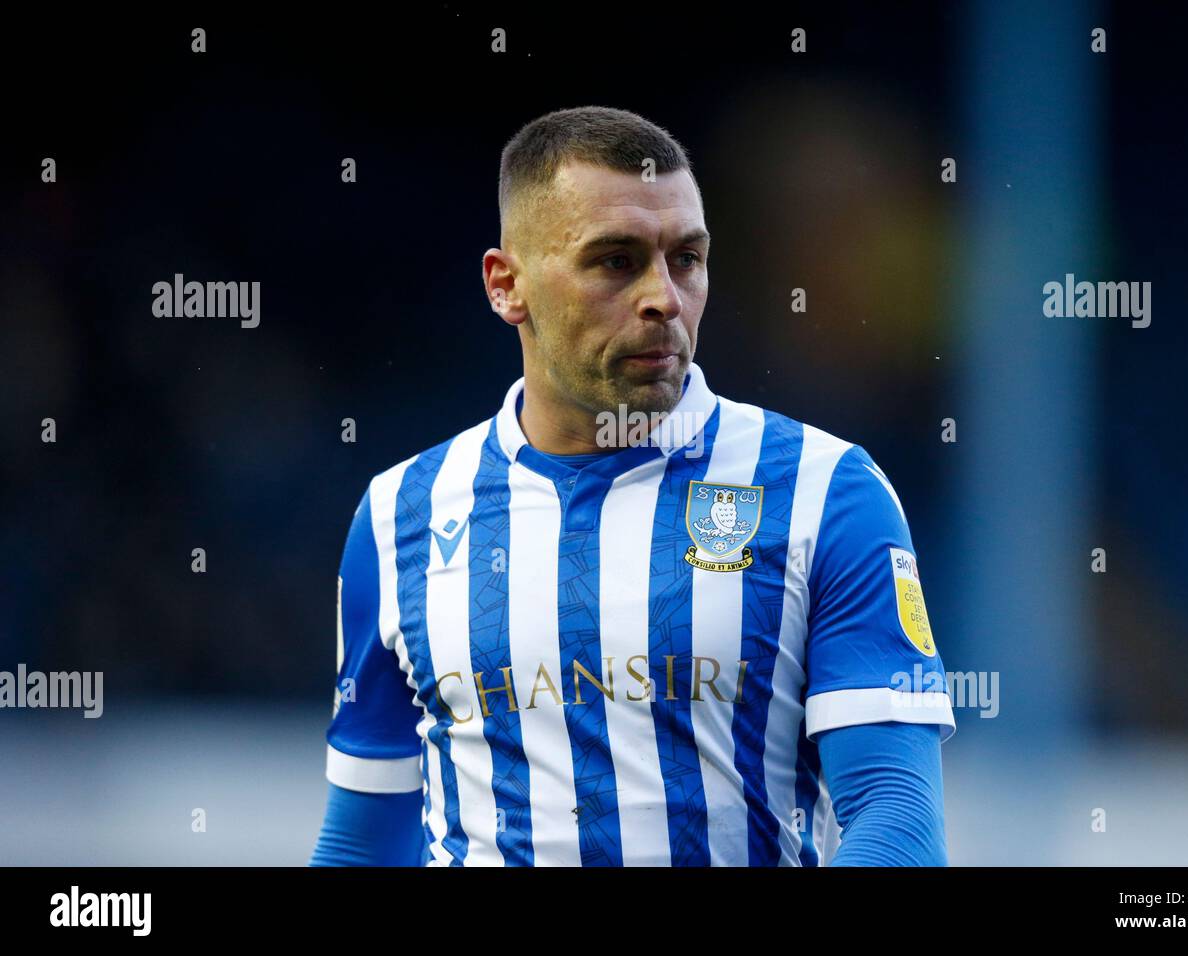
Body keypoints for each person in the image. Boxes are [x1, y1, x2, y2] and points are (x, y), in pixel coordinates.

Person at [310, 106, 955, 867]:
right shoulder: (397, 517)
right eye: (617, 261)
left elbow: (897, 821)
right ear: (506, 285)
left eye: (685, 258)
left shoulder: (826, 491)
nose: (664, 298)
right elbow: (364, 841)